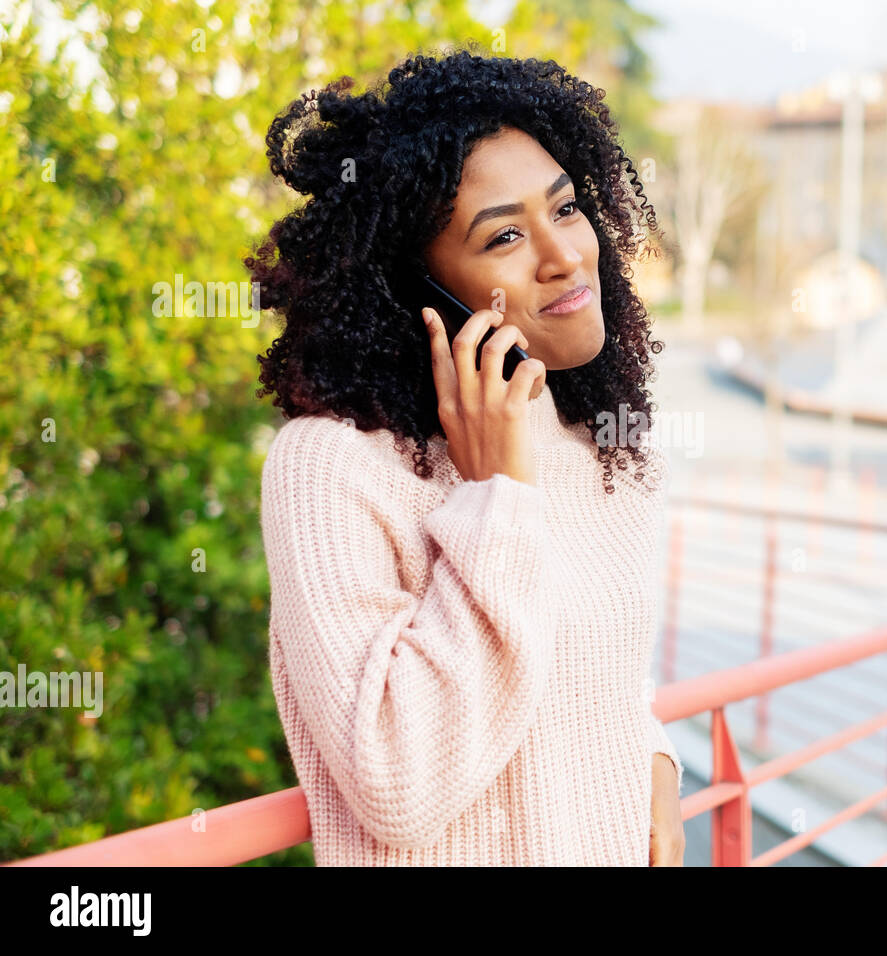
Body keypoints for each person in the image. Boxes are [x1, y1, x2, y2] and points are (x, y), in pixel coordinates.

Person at [246, 46, 685, 866]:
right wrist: (494, 498)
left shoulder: (598, 443)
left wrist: (653, 751)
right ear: (420, 291)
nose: (564, 256)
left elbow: (595, 675)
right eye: (506, 235)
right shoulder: (332, 468)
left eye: (565, 209)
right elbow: (396, 785)